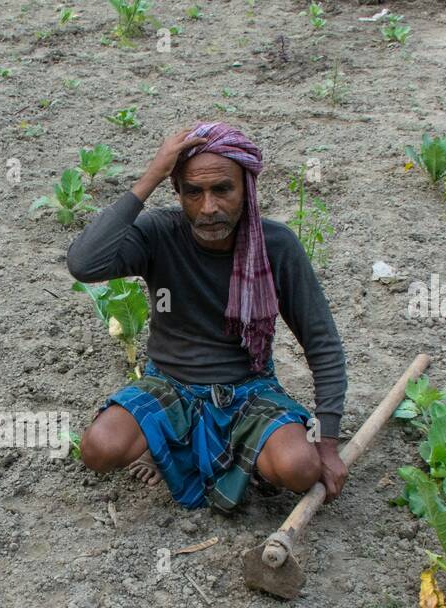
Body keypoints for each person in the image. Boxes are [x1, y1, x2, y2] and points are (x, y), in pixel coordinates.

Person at [66, 121, 349, 512]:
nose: (209, 207)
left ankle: (197, 453)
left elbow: (322, 343)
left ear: (246, 188)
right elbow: (84, 263)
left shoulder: (276, 246)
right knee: (99, 449)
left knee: (299, 468)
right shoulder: (158, 233)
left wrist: (329, 444)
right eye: (193, 192)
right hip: (170, 384)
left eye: (223, 190)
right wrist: (153, 174)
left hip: (248, 388)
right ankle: (177, 448)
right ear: (177, 192)